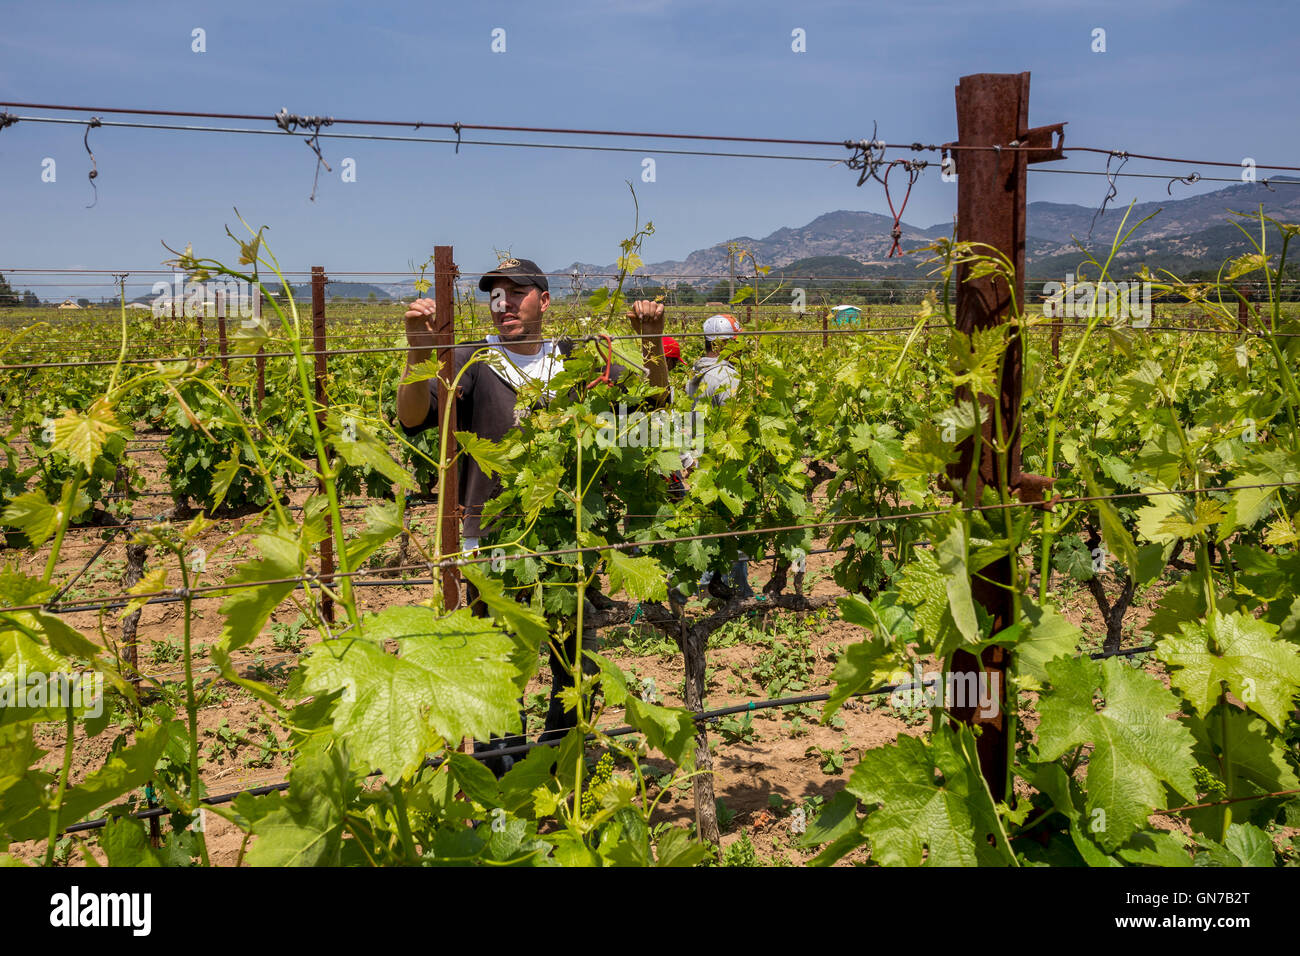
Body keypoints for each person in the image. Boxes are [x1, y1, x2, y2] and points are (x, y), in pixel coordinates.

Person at [397, 257, 665, 772]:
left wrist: (651, 343)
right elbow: (412, 417)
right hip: (493, 544)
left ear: (544, 300)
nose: (504, 304)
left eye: (517, 292)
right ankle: (503, 778)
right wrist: (416, 351)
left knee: (572, 663)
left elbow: (650, 411)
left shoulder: (575, 361)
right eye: (495, 295)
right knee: (497, 667)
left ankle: (560, 766)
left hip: (569, 541)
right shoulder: (471, 362)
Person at [682, 313, 753, 600]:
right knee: (732, 526)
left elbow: (685, 418)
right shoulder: (727, 376)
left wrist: (688, 458)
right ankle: (735, 590)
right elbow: (738, 424)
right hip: (726, 463)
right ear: (721, 343)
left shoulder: (694, 374)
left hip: (700, 464)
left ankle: (705, 589)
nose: (740, 348)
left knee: (708, 526)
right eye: (734, 343)